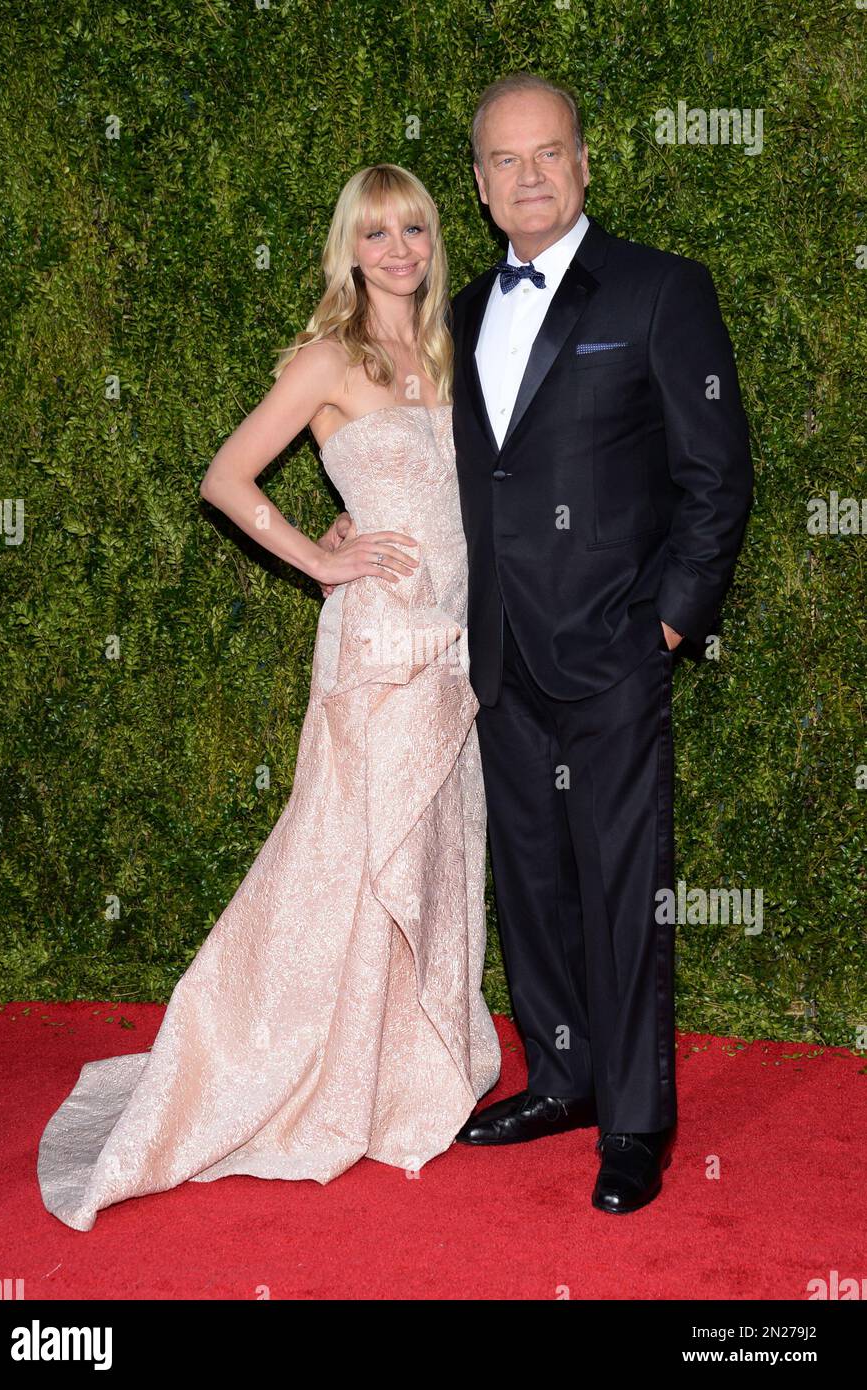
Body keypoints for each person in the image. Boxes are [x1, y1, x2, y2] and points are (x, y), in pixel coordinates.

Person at [37, 164, 501, 1231]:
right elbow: (225, 477)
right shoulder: (326, 357)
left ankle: (397, 1071)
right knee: (344, 855)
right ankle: (277, 1069)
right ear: (349, 247)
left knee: (426, 854)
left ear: (437, 237)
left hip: (453, 648)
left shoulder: (447, 352)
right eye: (376, 231)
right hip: (379, 648)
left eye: (415, 227)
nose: (398, 248)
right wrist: (322, 559)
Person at [446, 73, 754, 1212]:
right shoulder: (463, 311)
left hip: (616, 648)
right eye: (504, 161)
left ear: (585, 164)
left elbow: (718, 475)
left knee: (625, 890)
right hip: (498, 656)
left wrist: (669, 619)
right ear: (478, 186)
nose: (527, 176)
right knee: (530, 882)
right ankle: (562, 1076)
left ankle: (634, 1121)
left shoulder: (663, 291)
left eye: (548, 154)